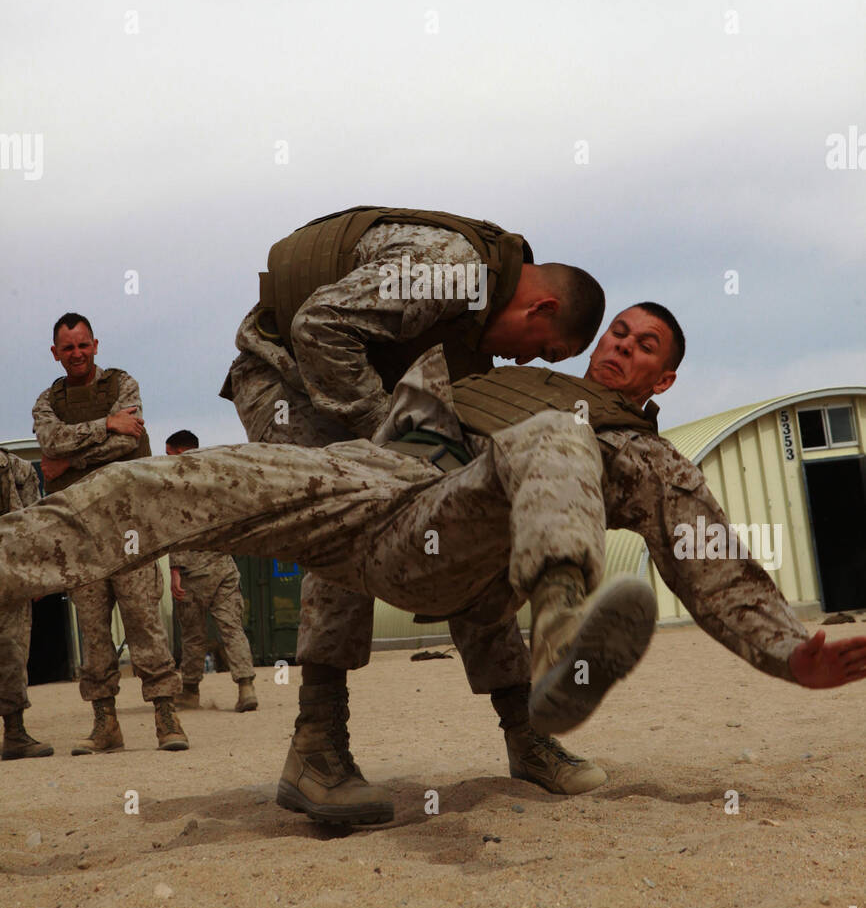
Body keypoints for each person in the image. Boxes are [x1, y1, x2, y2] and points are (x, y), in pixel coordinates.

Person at [5, 320, 866, 818]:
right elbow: (368, 344)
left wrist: (788, 651)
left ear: (665, 378)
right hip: (376, 498)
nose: (619, 350)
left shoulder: (639, 454)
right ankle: (317, 751)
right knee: (170, 479)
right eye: (616, 335)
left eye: (642, 348)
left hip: (461, 554)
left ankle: (546, 676)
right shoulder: (493, 380)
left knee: (549, 444)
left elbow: (708, 556)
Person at [221, 204, 608, 817]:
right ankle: (317, 748)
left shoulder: (478, 304)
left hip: (371, 381)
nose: (525, 363)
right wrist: (389, 443)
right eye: (544, 350)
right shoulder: (453, 271)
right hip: (288, 380)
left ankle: (524, 733)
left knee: (474, 522)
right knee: (348, 511)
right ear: (542, 309)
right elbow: (319, 327)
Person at [31, 313, 188, 754]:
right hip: (81, 532)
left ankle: (166, 717)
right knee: (93, 630)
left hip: (128, 526)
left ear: (96, 344)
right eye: (68, 348)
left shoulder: (122, 385)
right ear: (55, 353)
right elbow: (50, 440)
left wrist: (69, 462)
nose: (77, 354)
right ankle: (105, 724)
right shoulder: (48, 401)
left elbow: (130, 441)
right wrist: (104, 426)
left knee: (144, 620)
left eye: (83, 345)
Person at [166, 430, 257, 713]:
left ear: (180, 452)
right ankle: (246, 688)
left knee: (193, 636)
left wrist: (175, 572)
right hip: (224, 567)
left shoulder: (177, 484)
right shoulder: (216, 477)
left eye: (169, 454)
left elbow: (176, 529)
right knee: (232, 629)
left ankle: (190, 691)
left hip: (193, 571)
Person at [0, 449, 53, 760]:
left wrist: (36, 572)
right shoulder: (17, 467)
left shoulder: (18, 469)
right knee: (10, 647)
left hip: (9, 572)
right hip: (10, 570)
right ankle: (16, 733)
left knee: (11, 649)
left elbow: (34, 521)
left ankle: (16, 732)